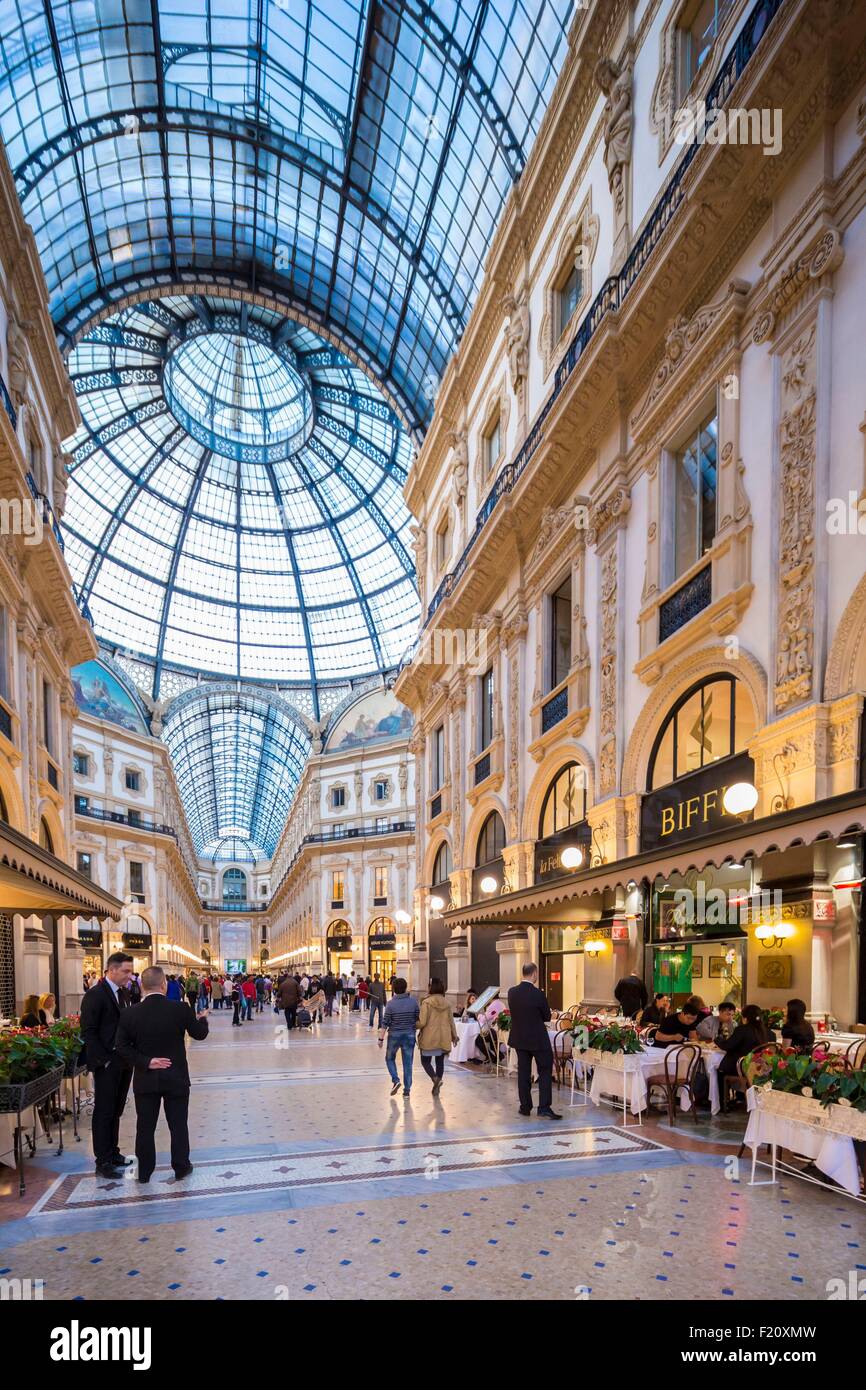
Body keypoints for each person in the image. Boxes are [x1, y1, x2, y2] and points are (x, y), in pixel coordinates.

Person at [115, 965, 209, 1183]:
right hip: (175, 1077)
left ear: (141, 985)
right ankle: (181, 1166)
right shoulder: (181, 1009)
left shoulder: (129, 1013)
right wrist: (203, 1018)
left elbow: (121, 1046)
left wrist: (147, 1061)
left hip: (145, 1079)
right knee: (178, 1124)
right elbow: (200, 1034)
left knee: (145, 1126)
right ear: (164, 985)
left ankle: (145, 1172)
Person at [79, 951, 135, 1178]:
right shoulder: (95, 995)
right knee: (104, 1111)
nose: (130, 976)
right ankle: (102, 1161)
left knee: (116, 1109)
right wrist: (105, 1059)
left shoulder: (124, 993)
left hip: (124, 1061)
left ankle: (113, 1152)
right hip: (107, 1064)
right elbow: (89, 1032)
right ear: (111, 970)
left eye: (130, 971)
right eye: (126, 971)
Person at [507, 962, 560, 1120]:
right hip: (538, 1039)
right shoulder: (538, 994)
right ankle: (544, 1107)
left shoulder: (512, 992)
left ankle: (525, 1107)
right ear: (534, 974)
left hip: (519, 1039)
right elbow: (546, 1017)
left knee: (523, 1072)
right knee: (545, 1070)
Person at [377, 977, 420, 1097]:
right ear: (405, 988)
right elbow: (417, 1018)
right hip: (409, 1035)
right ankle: (407, 1091)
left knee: (389, 1058)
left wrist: (381, 1039)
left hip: (394, 1035)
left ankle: (396, 1080)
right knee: (407, 1063)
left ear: (394, 989)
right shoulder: (413, 1002)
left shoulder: (390, 1004)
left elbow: (385, 1023)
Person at [416, 978, 458, 1094]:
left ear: (431, 987)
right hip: (443, 1038)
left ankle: (435, 1079)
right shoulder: (447, 1003)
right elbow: (451, 1021)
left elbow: (422, 1022)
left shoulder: (426, 1002)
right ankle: (438, 1082)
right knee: (440, 1062)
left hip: (429, 1038)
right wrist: (454, 1036)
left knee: (425, 1061)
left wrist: (413, 1025)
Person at [714, 1004, 770, 1088]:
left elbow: (728, 1046)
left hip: (741, 1068)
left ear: (745, 1018)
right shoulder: (766, 1031)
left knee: (718, 1070)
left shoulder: (742, 1030)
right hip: (759, 1067)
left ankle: (721, 1100)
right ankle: (740, 1097)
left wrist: (717, 1039)